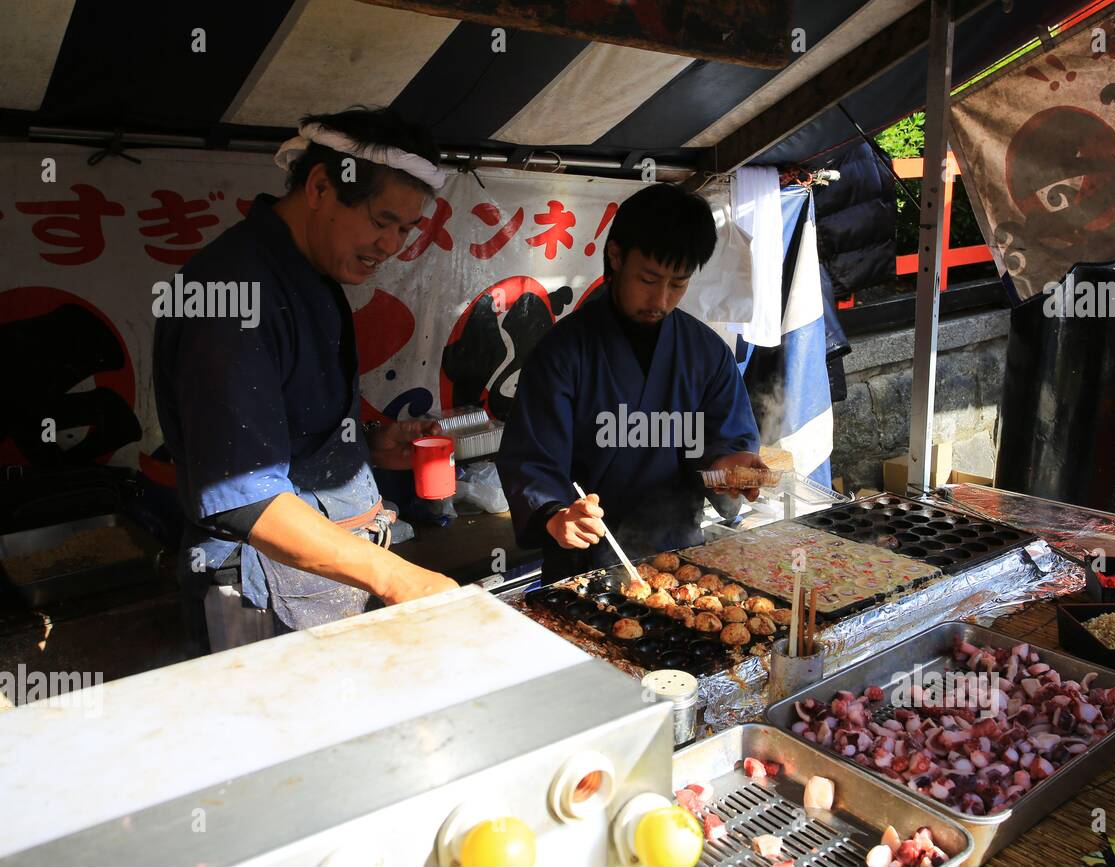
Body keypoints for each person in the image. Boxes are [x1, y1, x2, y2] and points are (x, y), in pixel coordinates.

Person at [153, 107, 458, 650]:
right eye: (381, 220)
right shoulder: (232, 292)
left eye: (406, 229)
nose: (391, 246)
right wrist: (399, 578)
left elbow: (286, 436)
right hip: (256, 590)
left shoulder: (312, 270)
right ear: (320, 186)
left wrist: (363, 447)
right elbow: (241, 494)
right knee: (272, 731)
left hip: (321, 576)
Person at [498, 183, 766, 583]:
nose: (660, 299)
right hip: (583, 562)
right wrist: (556, 515)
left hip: (680, 559)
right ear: (616, 256)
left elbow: (726, 443)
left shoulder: (705, 351)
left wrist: (732, 466)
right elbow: (531, 460)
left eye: (678, 284)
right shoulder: (563, 353)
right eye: (648, 278)